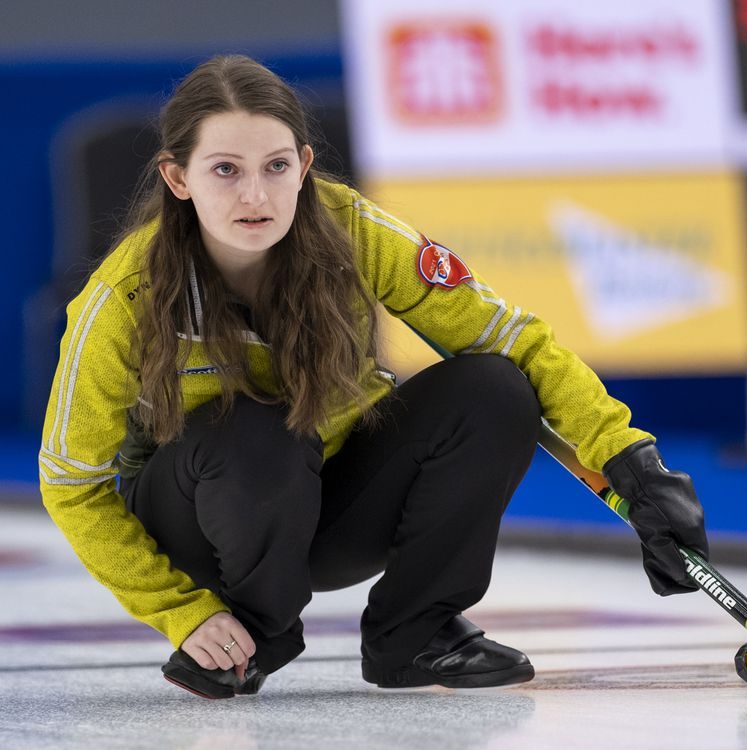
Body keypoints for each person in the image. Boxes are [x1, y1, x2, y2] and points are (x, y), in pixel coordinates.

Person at [38, 55, 708, 699]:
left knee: (495, 387)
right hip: (203, 531)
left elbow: (511, 337)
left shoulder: (352, 229)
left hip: (326, 510)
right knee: (248, 423)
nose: (255, 195)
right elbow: (72, 485)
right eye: (225, 170)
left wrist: (632, 462)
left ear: (304, 166)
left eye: (276, 166)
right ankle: (249, 637)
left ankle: (414, 634)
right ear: (178, 179)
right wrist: (181, 611)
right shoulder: (123, 299)